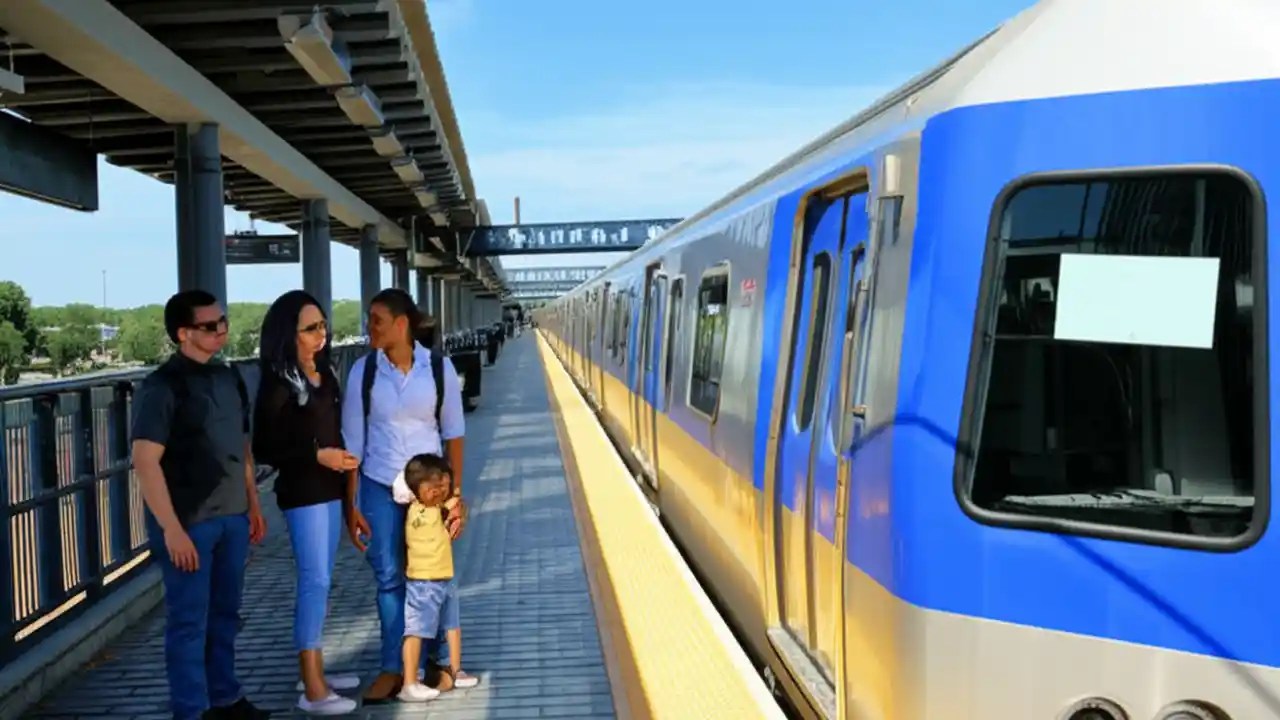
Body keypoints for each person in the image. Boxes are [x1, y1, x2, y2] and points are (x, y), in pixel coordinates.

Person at [130, 290, 269, 720]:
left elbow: (241, 447)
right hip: (188, 523)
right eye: (210, 326)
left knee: (225, 615)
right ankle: (192, 710)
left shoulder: (229, 378)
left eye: (222, 322)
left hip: (232, 517)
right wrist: (170, 528)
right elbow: (145, 460)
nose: (221, 331)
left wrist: (253, 504)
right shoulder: (162, 386)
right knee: (189, 622)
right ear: (183, 333)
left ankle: (225, 698)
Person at [341, 288, 471, 703]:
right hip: (378, 483)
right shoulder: (362, 373)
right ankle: (393, 668)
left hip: (428, 491)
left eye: (376, 320)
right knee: (389, 575)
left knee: (428, 574)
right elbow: (353, 445)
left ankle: (431, 660)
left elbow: (453, 434)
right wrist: (352, 504)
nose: (369, 327)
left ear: (401, 324)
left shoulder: (439, 368)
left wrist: (455, 496)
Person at [251, 290, 360, 715]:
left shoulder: (324, 374)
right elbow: (265, 446)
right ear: (288, 334)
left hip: (330, 489)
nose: (322, 334)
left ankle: (316, 669)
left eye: (322, 326)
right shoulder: (279, 382)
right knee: (314, 582)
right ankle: (312, 689)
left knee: (324, 580)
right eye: (310, 328)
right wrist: (317, 456)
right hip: (303, 493)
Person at [396, 454, 478, 702]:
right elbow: (401, 488)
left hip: (446, 577)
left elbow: (453, 509)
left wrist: (455, 502)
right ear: (416, 489)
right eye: (432, 487)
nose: (438, 492)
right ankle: (409, 681)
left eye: (443, 486)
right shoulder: (416, 509)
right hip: (422, 583)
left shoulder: (441, 508)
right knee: (416, 630)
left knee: (452, 625)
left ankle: (455, 669)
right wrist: (450, 502)